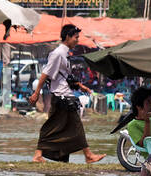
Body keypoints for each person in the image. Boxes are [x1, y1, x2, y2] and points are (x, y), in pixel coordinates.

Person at [28, 23, 105, 163]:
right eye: (76, 37)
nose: (77, 40)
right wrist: (36, 93)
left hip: (64, 96)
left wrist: (81, 86)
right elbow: (45, 74)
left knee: (58, 127)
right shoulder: (57, 54)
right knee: (73, 126)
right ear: (68, 37)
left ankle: (48, 155)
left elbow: (64, 77)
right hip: (61, 97)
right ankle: (88, 155)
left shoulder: (64, 54)